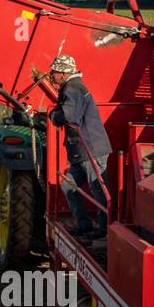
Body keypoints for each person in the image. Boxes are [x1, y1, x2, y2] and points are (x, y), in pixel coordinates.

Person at [48, 54, 112, 239]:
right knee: (69, 186)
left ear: (63, 73)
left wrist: (53, 115)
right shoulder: (74, 87)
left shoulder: (72, 89)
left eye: (54, 71)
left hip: (90, 149)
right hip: (83, 150)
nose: (52, 75)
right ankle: (83, 225)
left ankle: (105, 230)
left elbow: (69, 117)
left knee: (98, 189)